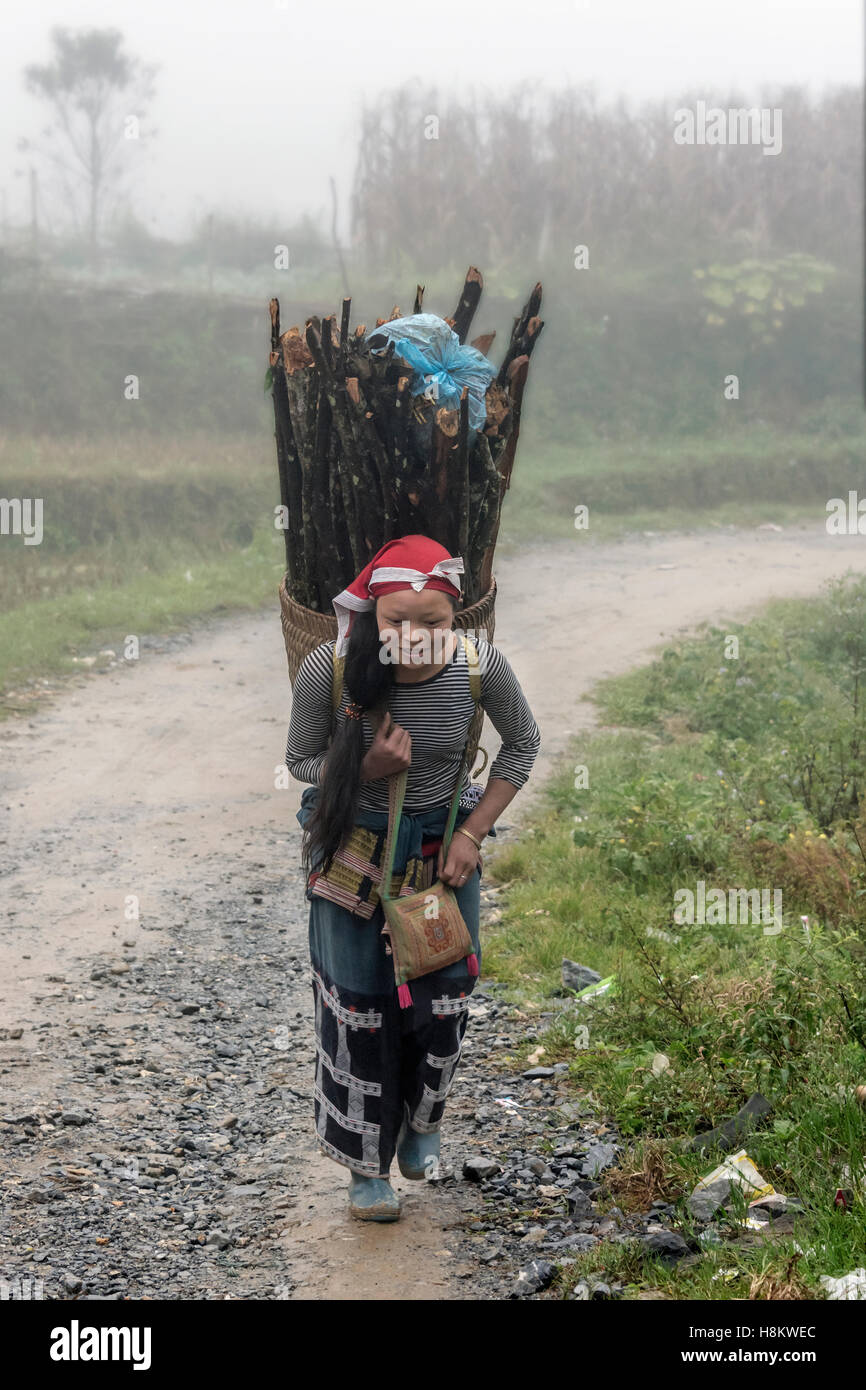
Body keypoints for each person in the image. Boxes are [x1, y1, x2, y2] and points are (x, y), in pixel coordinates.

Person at [284, 534, 541, 1221]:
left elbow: (524, 743)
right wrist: (362, 769)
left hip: (439, 855)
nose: (418, 635)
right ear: (373, 615)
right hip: (352, 853)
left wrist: (471, 832)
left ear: (455, 618)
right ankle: (366, 1170)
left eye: (434, 620)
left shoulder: (479, 668)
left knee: (445, 996)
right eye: (400, 619)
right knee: (358, 1008)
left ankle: (421, 1122)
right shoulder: (329, 670)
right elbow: (300, 761)